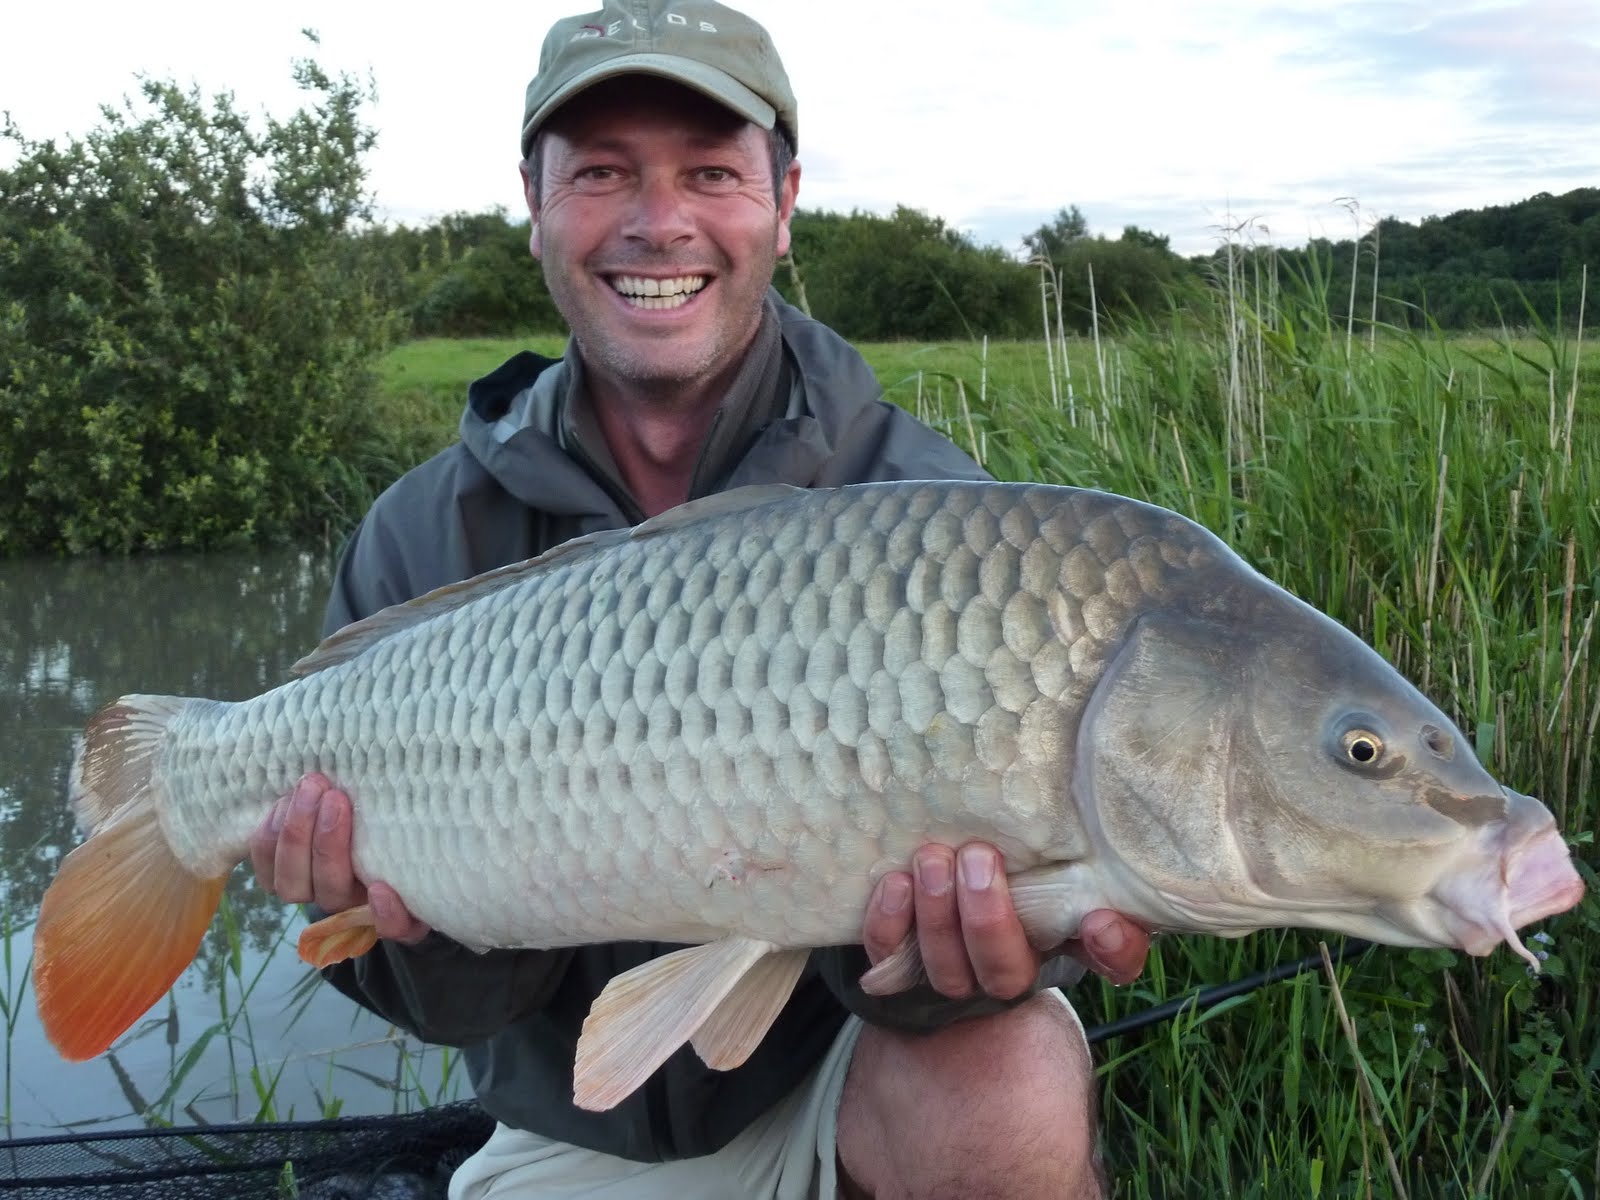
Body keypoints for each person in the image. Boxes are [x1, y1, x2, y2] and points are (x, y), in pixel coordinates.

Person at [249, 2, 1151, 1195]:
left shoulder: (935, 518)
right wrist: (407, 927)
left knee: (1009, 1072)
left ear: (782, 205)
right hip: (577, 1124)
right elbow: (436, 1005)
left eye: (711, 171)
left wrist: (935, 971)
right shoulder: (426, 535)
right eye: (603, 173)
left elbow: (984, 952)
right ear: (534, 203)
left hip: (855, 1084)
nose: (657, 221)